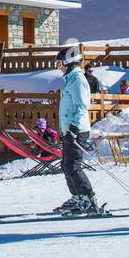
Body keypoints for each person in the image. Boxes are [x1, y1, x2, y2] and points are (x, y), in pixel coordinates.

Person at [53, 41, 97, 215]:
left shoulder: (78, 80)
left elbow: (81, 107)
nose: (58, 67)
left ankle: (88, 199)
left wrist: (73, 129)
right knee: (66, 165)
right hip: (69, 131)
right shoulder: (70, 79)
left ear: (68, 63)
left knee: (73, 166)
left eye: (59, 63)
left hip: (77, 131)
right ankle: (78, 198)